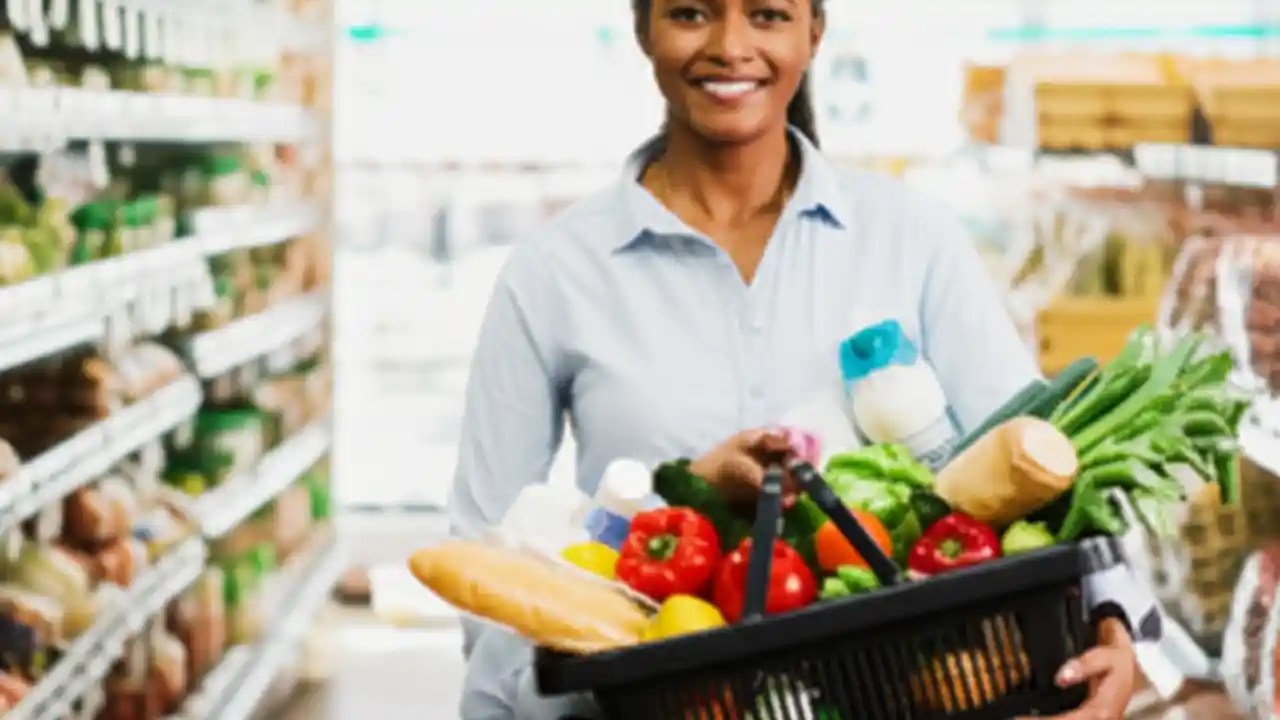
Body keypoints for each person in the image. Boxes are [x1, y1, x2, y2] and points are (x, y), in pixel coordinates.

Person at [447, 0, 1138, 718]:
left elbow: (1035, 464)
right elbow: (486, 557)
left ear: (814, 31)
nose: (731, 46)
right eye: (691, 13)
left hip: (900, 696)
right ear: (643, 29)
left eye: (768, 15)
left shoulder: (909, 238)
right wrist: (682, 496)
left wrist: (1109, 621)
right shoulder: (555, 272)